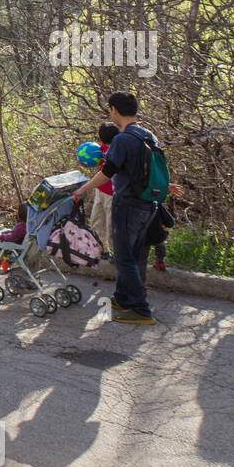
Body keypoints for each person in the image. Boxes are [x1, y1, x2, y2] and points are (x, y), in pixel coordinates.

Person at [72, 91, 160, 324]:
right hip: (147, 204)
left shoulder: (122, 140)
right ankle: (122, 298)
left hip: (128, 203)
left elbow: (107, 173)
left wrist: (82, 189)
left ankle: (140, 309)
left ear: (114, 110)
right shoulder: (148, 135)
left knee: (123, 257)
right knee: (132, 254)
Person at [87, 122, 117, 258]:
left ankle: (117, 254)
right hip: (100, 190)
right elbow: (96, 161)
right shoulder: (102, 148)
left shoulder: (118, 149)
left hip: (113, 193)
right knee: (96, 221)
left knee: (112, 226)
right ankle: (102, 250)